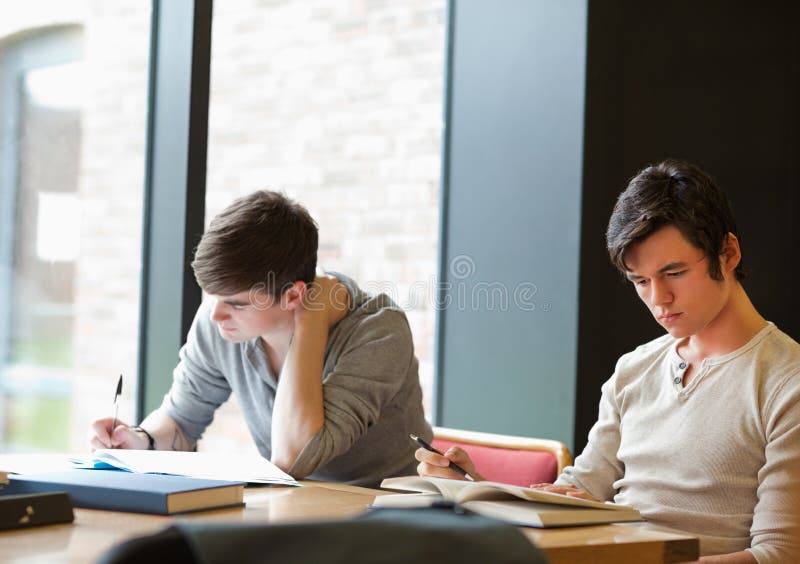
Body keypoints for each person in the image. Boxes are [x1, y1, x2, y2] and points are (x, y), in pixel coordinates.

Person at [415, 160, 800, 562]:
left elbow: (779, 555)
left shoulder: (786, 384)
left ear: (728, 253)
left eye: (675, 273)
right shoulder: (634, 371)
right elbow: (577, 493)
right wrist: (473, 488)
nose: (658, 299)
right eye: (641, 281)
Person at [90, 190, 432, 487]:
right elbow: (180, 421)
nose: (215, 315)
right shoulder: (221, 323)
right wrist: (139, 441)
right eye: (213, 296)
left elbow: (293, 458)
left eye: (236, 303)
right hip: (293, 510)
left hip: (388, 517)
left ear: (294, 296)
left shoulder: (378, 331)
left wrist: (310, 322)